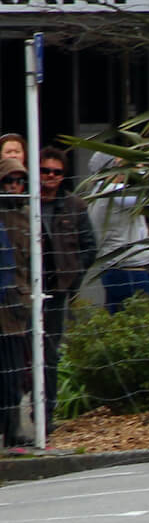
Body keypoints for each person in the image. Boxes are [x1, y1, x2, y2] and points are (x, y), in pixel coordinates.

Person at [37, 149, 95, 430]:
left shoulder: (76, 206)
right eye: (45, 170)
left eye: (56, 172)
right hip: (24, 291)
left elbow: (89, 247)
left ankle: (46, 416)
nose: (50, 176)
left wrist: (73, 279)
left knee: (50, 353)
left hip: (57, 292)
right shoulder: (23, 202)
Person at [88, 153, 149, 312]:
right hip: (127, 268)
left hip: (115, 266)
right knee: (134, 321)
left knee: (118, 319)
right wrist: (141, 171)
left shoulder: (97, 192)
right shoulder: (113, 192)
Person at [0, 161, 29, 444]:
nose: (13, 186)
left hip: (15, 307)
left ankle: (13, 431)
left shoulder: (26, 218)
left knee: (14, 372)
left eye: (19, 181)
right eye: (9, 180)